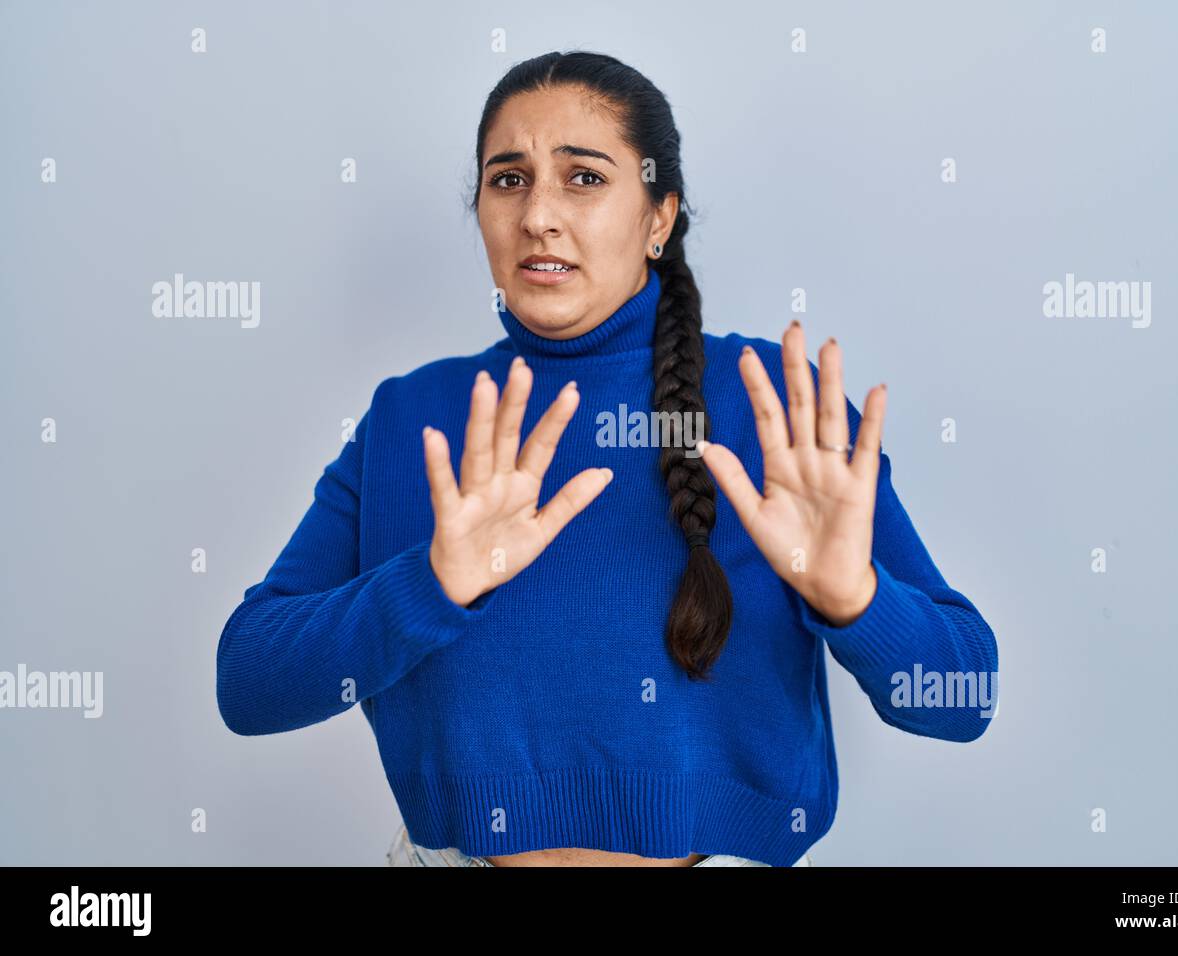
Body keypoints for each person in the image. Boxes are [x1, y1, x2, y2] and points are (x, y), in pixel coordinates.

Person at [216, 50, 999, 868]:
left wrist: (856, 599)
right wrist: (430, 585)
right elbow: (249, 682)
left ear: (659, 218)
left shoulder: (773, 406)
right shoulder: (411, 419)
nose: (539, 216)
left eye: (584, 179)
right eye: (507, 179)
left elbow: (965, 697)